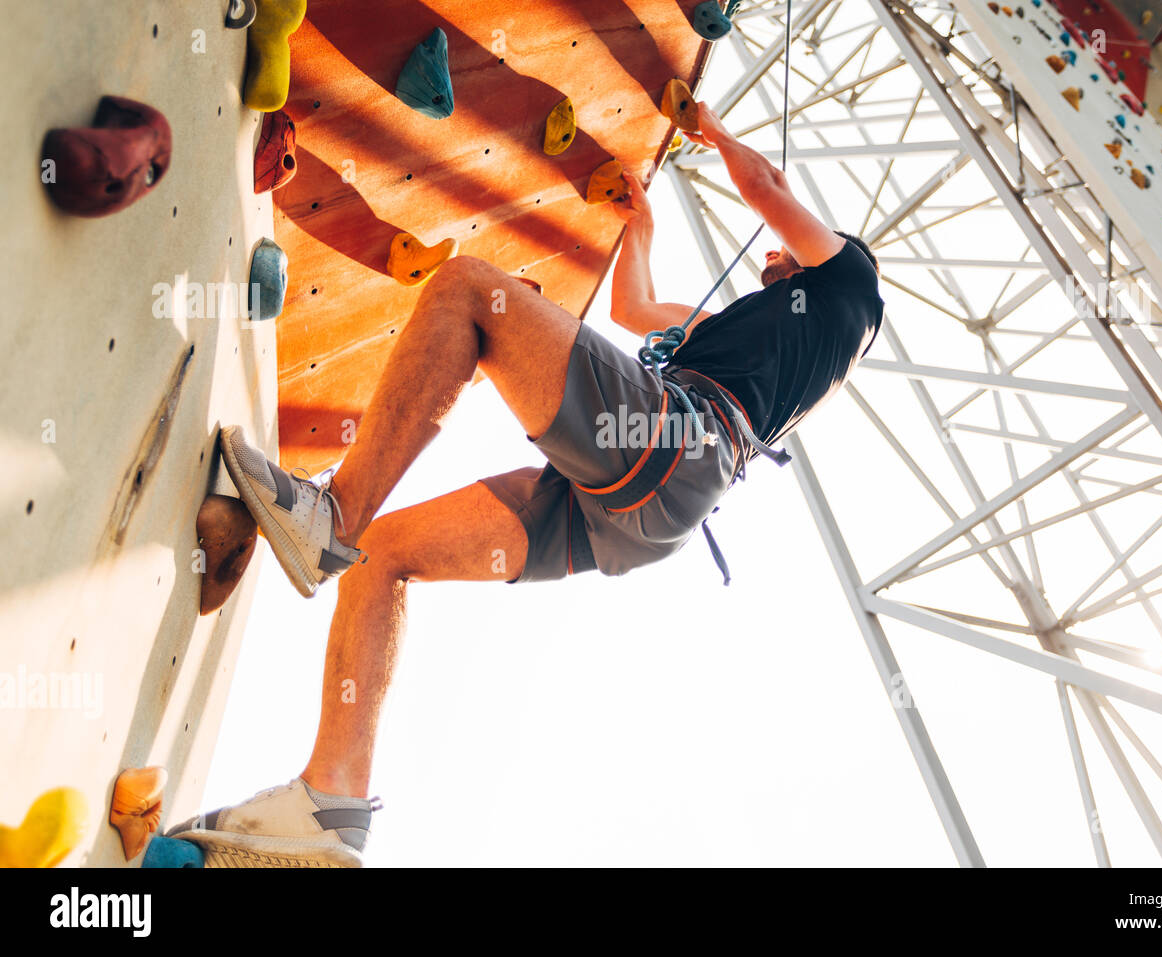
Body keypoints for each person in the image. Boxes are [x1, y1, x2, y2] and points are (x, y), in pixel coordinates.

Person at [167, 103, 885, 866]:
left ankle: (331, 515)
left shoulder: (853, 281)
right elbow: (633, 309)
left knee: (471, 291)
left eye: (787, 252)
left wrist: (711, 129)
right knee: (384, 557)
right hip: (649, 507)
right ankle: (331, 800)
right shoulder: (759, 337)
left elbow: (767, 186)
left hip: (679, 443)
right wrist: (640, 227)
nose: (774, 253)